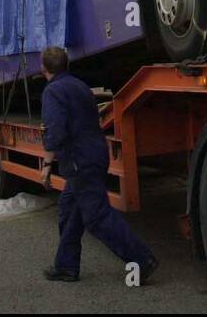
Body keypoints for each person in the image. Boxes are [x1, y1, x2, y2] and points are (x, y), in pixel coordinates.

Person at [39, 46, 157, 284]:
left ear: (44, 69)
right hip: (95, 154)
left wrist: (46, 165)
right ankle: (66, 266)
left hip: (78, 160)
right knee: (69, 211)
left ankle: (141, 259)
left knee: (96, 216)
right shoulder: (81, 86)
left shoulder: (53, 91)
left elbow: (56, 133)